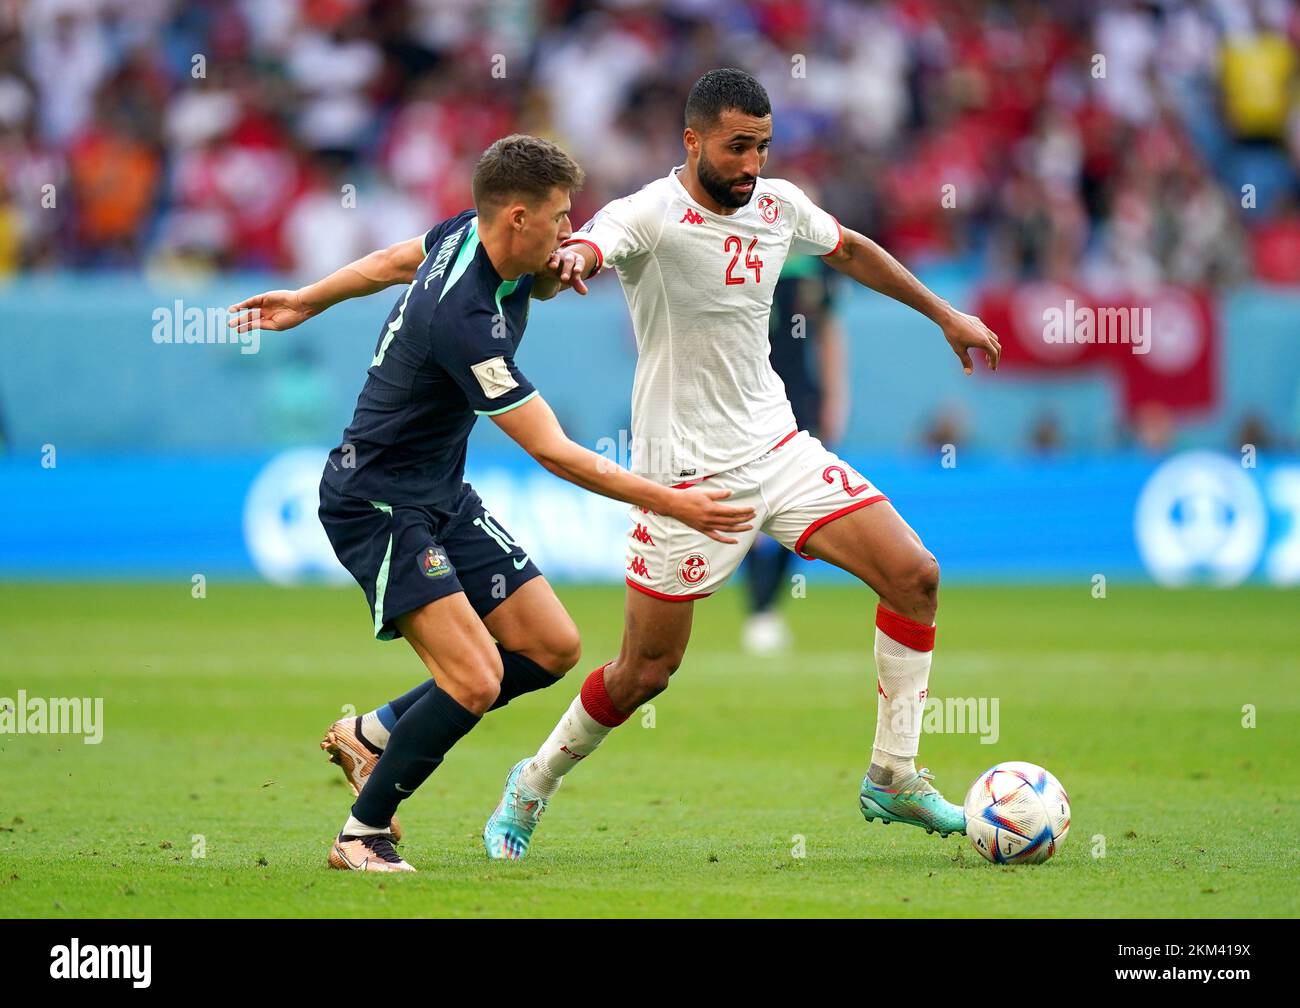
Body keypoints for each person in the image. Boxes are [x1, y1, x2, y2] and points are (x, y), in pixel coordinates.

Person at [481, 70, 1001, 861]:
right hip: (683, 482)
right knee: (644, 673)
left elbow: (852, 249)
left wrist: (945, 315)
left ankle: (893, 773)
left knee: (914, 575)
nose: (752, 162)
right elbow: (593, 242)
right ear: (692, 142)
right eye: (736, 146)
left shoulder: (778, 206)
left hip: (777, 448)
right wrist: (578, 257)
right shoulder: (649, 212)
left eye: (762, 144)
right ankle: (534, 780)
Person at [226, 134, 753, 872]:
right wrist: (674, 504)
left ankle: (371, 735)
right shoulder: (465, 324)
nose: (571, 231)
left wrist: (306, 301)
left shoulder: (461, 234)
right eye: (561, 218)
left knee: (550, 647)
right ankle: (361, 834)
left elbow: (388, 262)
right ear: (516, 218)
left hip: (440, 491)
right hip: (376, 502)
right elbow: (554, 453)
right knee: (472, 678)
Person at [742, 251, 847, 654]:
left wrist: (835, 397)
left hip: (797, 396)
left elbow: (828, 331)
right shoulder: (730, 246)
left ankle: (766, 608)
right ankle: (760, 608)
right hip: (742, 397)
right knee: (748, 503)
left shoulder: (808, 265)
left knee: (798, 503)